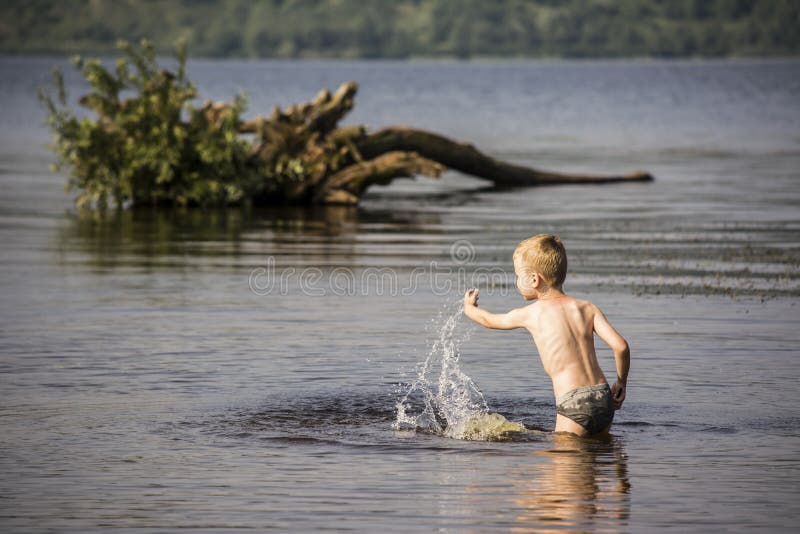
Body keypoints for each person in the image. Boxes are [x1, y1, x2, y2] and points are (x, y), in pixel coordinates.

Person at [463, 234, 630, 437]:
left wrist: (469, 308)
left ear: (534, 279)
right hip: (603, 396)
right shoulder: (587, 308)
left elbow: (490, 320)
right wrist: (621, 383)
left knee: (560, 460)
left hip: (573, 402)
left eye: (517, 276)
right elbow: (621, 346)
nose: (516, 281)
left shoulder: (533, 313)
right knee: (597, 456)